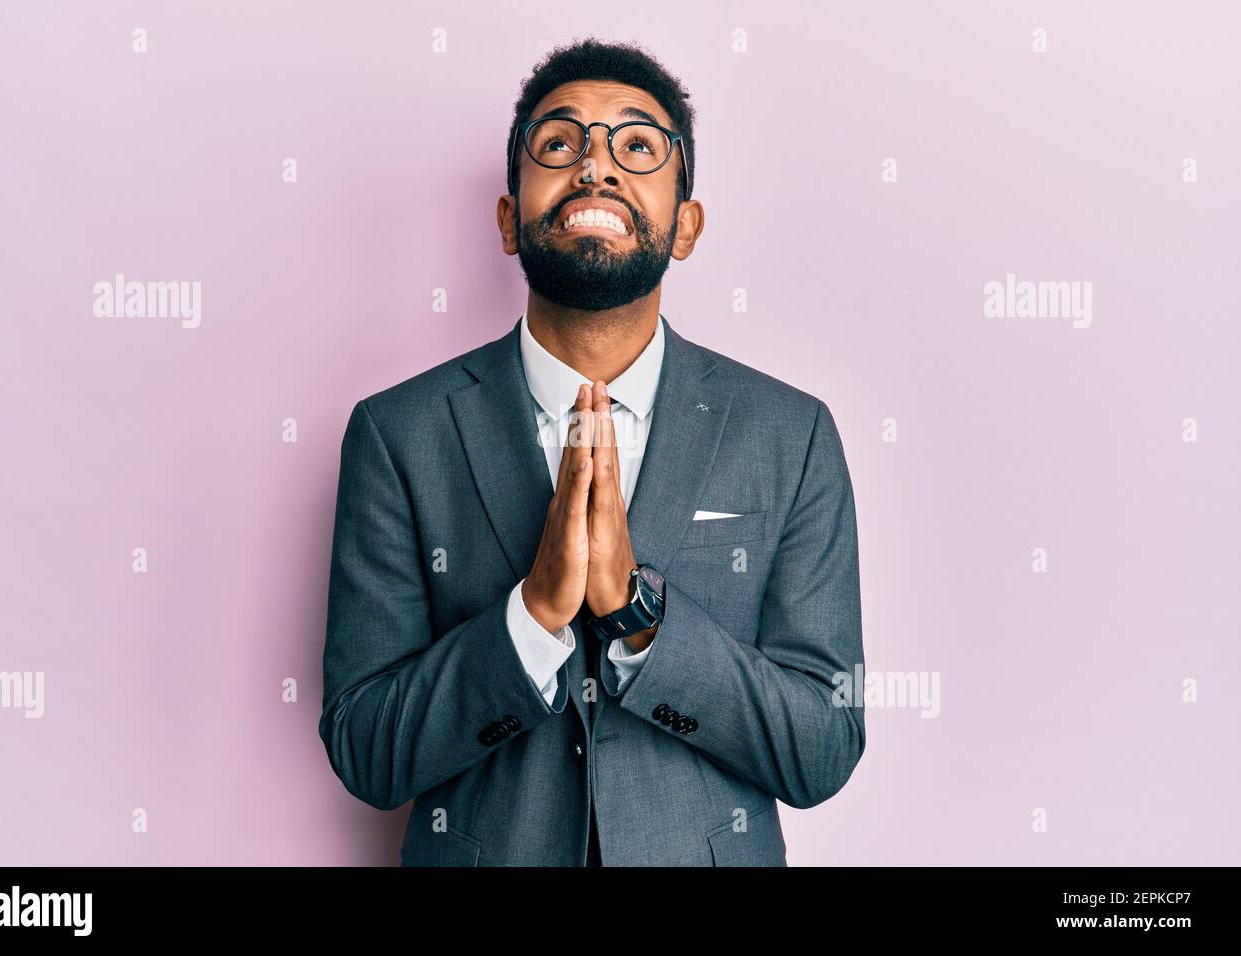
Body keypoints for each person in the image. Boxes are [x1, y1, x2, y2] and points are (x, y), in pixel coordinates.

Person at [319, 38, 865, 866]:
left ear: (685, 225)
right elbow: (366, 749)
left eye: (638, 145)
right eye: (559, 142)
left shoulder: (791, 435)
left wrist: (638, 618)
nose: (596, 167)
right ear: (509, 219)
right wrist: (531, 617)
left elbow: (821, 747)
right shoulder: (399, 435)